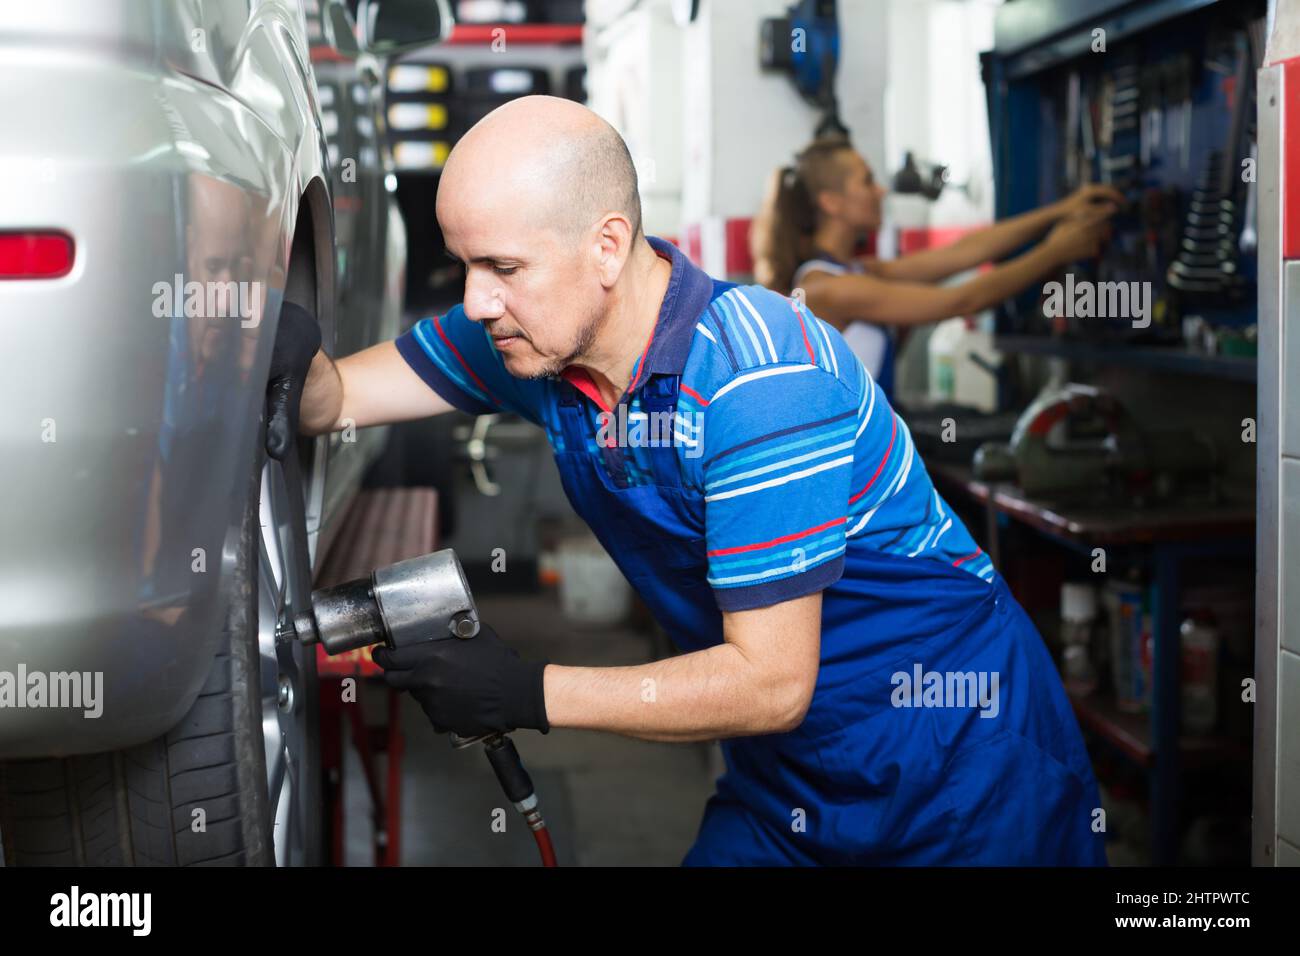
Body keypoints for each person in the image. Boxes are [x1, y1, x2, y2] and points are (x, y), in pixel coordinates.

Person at [268, 95, 1107, 866]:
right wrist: (282, 333)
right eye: (465, 267)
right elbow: (335, 398)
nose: (478, 302)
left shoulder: (759, 379)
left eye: (503, 267)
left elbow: (772, 682)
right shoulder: (530, 340)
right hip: (789, 783)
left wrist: (527, 691)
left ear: (606, 246)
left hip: (964, 767)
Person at [751, 136, 1122, 398]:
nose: (881, 191)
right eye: (867, 181)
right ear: (831, 202)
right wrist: (1054, 252)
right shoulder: (826, 289)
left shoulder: (857, 272)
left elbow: (963, 252)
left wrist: (1062, 210)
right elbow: (961, 301)